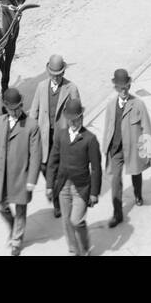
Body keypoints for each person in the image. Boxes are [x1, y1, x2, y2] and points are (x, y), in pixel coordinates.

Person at [46, 98, 101, 257]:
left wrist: (94, 193)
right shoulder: (61, 136)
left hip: (81, 188)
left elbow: (96, 169)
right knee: (66, 222)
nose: (74, 122)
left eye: (77, 119)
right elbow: (52, 161)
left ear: (82, 118)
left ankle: (85, 248)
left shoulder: (90, 139)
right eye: (70, 119)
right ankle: (73, 251)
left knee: (76, 220)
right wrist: (50, 184)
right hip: (63, 186)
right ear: (66, 119)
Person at [28, 54, 80, 220]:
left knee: (59, 168)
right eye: (53, 74)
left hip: (61, 137)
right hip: (44, 136)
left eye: (59, 74)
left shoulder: (71, 88)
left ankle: (59, 202)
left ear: (63, 73)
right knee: (44, 166)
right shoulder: (41, 86)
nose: (56, 77)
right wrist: (29, 133)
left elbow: (77, 114)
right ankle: (57, 193)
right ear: (48, 72)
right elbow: (34, 112)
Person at [0, 87, 40, 255]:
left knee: (20, 209)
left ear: (21, 105)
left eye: (17, 108)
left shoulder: (32, 125)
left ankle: (17, 241)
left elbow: (36, 156)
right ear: (6, 108)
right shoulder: (0, 122)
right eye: (11, 109)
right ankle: (12, 226)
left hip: (21, 175)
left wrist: (32, 179)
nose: (15, 112)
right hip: (1, 174)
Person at [100, 68, 151, 228]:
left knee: (136, 173)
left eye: (126, 88)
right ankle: (117, 214)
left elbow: (147, 128)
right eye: (120, 88)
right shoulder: (110, 106)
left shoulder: (138, 104)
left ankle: (138, 194)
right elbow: (108, 128)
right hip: (115, 150)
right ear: (115, 88)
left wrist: (147, 151)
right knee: (115, 180)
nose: (123, 91)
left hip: (133, 149)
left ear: (129, 87)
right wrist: (105, 148)